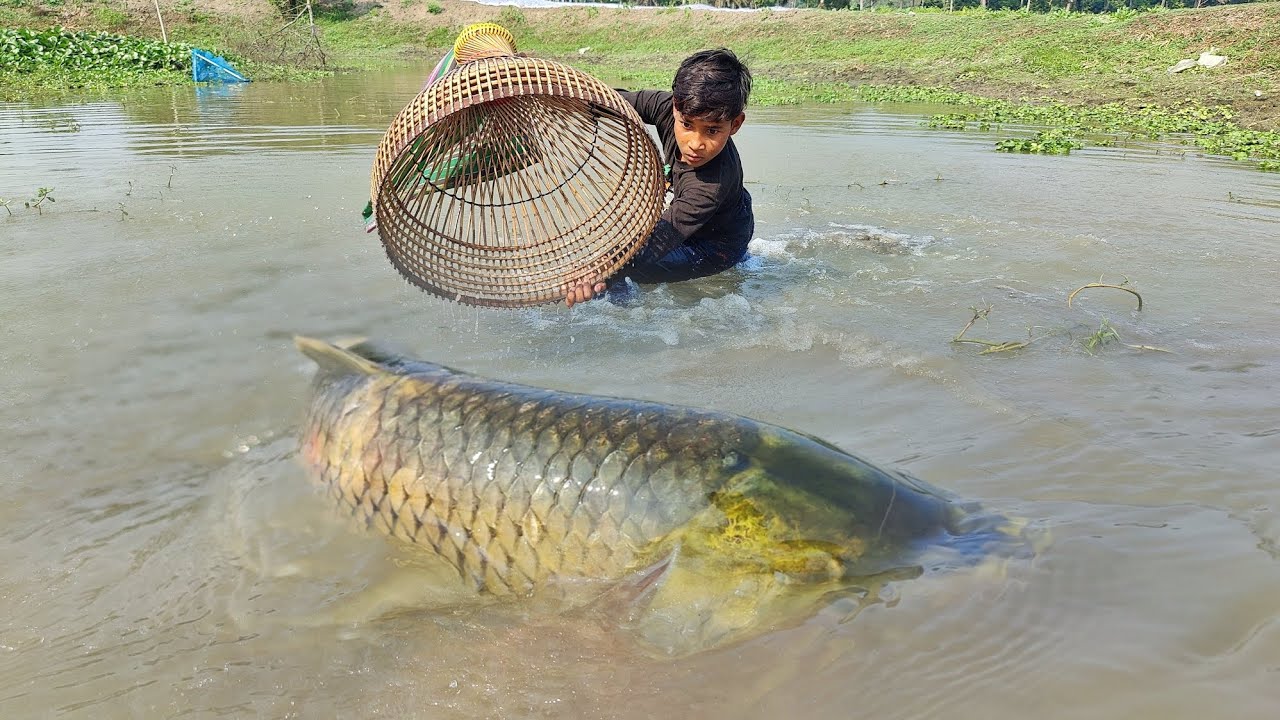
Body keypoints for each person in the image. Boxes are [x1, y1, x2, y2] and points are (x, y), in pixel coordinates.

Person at [564, 48, 754, 307]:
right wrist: (562, 96)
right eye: (687, 125)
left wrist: (598, 274)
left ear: (736, 124)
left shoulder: (710, 187)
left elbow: (661, 237)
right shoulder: (668, 107)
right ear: (676, 107)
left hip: (715, 247)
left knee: (624, 270)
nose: (695, 143)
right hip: (717, 214)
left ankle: (624, 316)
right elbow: (612, 100)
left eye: (712, 130)